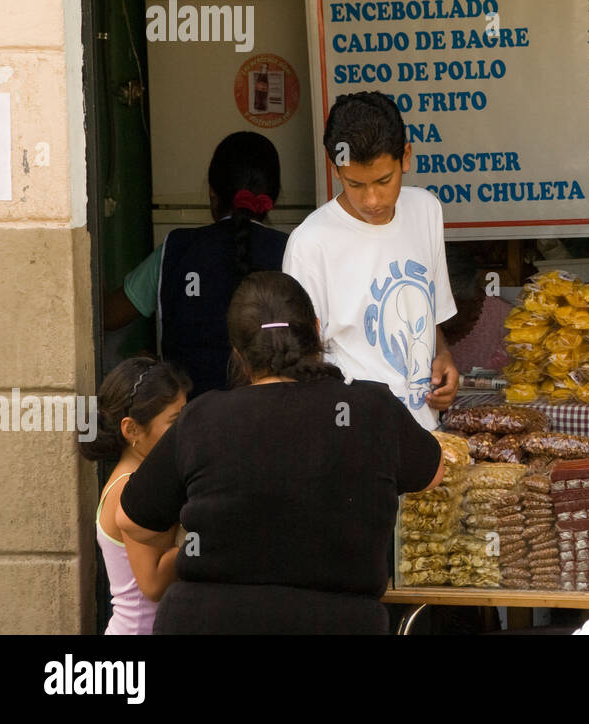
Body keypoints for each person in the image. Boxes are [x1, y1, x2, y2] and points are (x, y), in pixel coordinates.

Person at [117, 271, 443, 635]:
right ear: (317, 331)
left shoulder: (203, 418)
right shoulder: (372, 409)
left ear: (239, 355)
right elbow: (433, 472)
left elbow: (132, 521)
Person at [283, 91, 459, 430]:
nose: (373, 199)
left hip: (427, 432)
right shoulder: (309, 244)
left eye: (383, 180)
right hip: (355, 439)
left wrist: (444, 357)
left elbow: (426, 309)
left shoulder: (426, 210)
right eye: (355, 184)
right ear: (334, 167)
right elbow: (301, 365)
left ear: (405, 157)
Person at [103, 131, 289, 399]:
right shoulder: (293, 250)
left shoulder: (176, 249)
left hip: (186, 422)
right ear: (273, 198)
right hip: (268, 419)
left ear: (213, 196)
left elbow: (109, 316)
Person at [78, 357, 190, 635]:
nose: (186, 431)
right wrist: (198, 540)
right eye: (175, 421)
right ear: (132, 430)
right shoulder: (132, 487)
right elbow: (152, 584)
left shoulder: (138, 477)